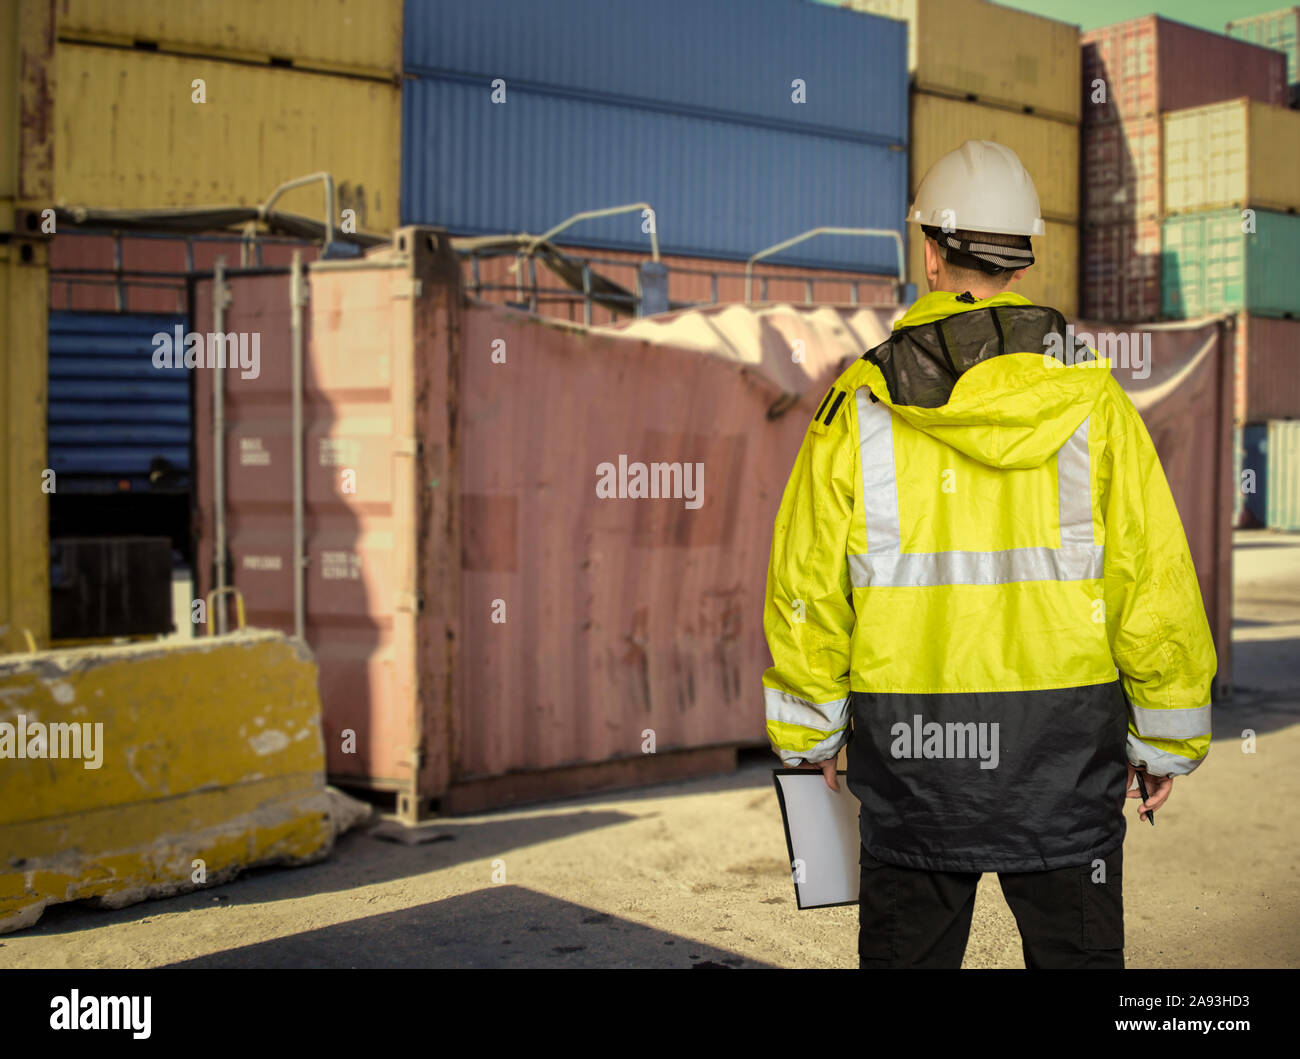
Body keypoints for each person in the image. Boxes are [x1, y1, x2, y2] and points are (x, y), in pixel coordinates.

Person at [761, 140, 1216, 969]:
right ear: (1022, 259)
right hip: (1064, 765)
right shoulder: (1094, 400)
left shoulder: (858, 404)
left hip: (914, 770)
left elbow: (808, 587)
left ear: (930, 252)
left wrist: (809, 736)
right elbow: (1154, 576)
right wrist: (1165, 733)